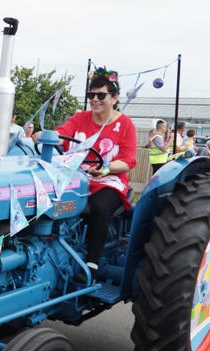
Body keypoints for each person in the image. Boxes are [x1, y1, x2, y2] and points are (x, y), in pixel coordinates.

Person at [33, 67, 136, 283]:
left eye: (101, 95)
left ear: (114, 97)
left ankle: (92, 263)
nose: (95, 100)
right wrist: (45, 135)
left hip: (108, 179)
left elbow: (127, 160)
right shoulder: (80, 118)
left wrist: (105, 169)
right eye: (91, 95)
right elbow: (63, 134)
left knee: (99, 206)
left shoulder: (124, 124)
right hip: (77, 177)